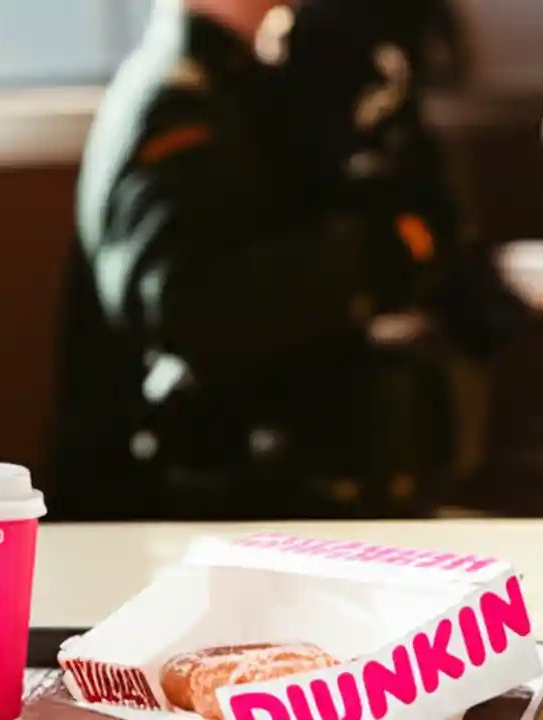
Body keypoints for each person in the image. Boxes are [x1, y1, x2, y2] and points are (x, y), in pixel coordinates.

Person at [55, 0, 516, 520]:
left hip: (268, 482)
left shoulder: (250, 81)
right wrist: (382, 253)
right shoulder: (178, 98)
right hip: (187, 494)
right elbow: (189, 303)